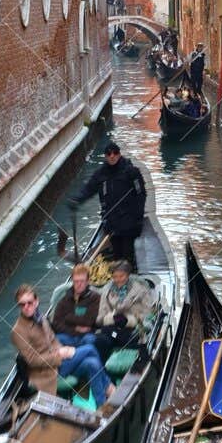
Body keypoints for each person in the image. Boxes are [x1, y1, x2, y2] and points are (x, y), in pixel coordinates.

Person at [10, 284, 113, 407]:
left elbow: (53, 340)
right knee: (90, 349)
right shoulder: (17, 331)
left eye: (29, 302)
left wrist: (63, 349)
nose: (26, 307)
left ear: (36, 301)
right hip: (47, 371)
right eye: (22, 304)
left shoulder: (40, 318)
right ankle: (109, 386)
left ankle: (101, 405)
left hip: (60, 363)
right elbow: (33, 361)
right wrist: (59, 355)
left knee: (92, 363)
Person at [68, 140, 146, 271]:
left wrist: (138, 218)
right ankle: (118, 280)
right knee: (117, 256)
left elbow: (141, 195)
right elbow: (89, 189)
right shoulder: (100, 174)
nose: (112, 156)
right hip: (112, 222)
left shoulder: (132, 172)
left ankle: (130, 277)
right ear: (105, 156)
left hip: (129, 222)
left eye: (115, 153)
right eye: (109, 153)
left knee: (127, 257)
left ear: (119, 154)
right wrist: (77, 200)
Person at [94, 260, 154, 364]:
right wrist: (110, 319)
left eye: (121, 276)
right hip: (113, 328)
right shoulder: (107, 291)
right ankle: (102, 367)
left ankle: (136, 355)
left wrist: (131, 320)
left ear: (128, 275)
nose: (118, 280)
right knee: (102, 340)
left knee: (129, 337)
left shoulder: (141, 290)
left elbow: (148, 313)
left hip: (135, 327)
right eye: (115, 276)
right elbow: (102, 315)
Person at [50, 263, 102, 345]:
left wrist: (66, 317)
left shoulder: (95, 298)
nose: (79, 284)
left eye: (82, 281)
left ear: (88, 281)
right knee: (56, 339)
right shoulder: (65, 299)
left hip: (87, 336)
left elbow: (88, 321)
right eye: (76, 281)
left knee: (91, 340)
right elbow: (56, 323)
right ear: (72, 281)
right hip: (68, 335)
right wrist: (75, 328)